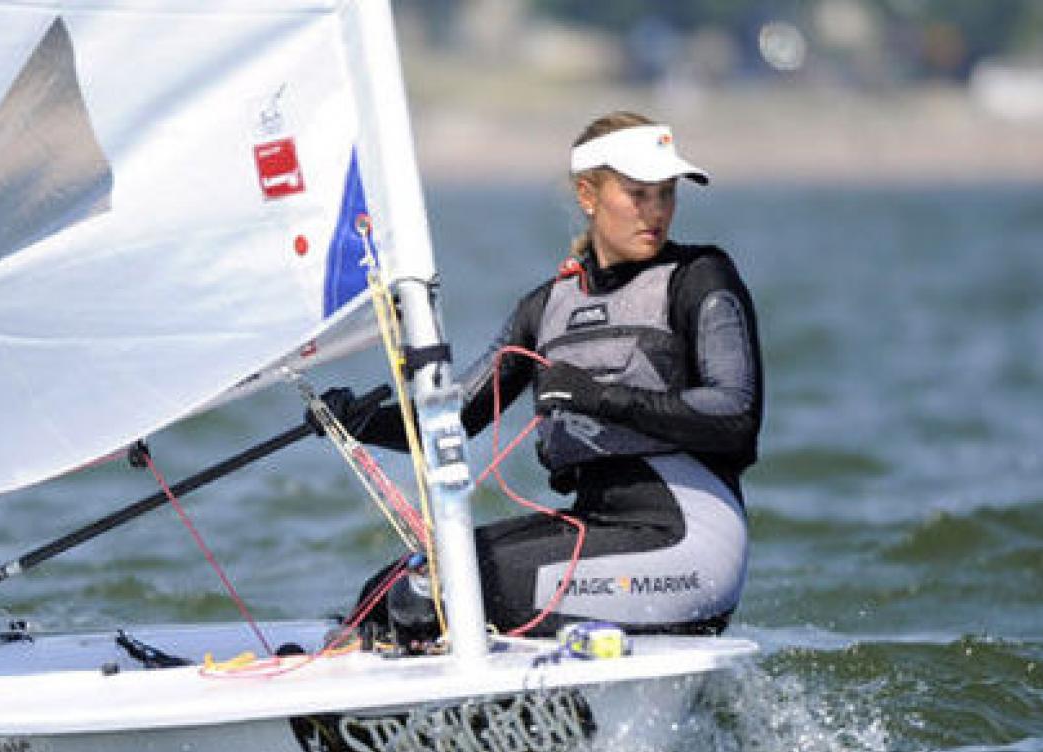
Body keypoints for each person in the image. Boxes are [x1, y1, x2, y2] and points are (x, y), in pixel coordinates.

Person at [319, 110, 763, 640]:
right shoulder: (546, 308)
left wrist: (598, 396)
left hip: (690, 545)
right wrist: (357, 422)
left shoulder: (699, 279)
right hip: (600, 530)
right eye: (638, 193)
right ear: (588, 195)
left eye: (666, 193)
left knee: (445, 592)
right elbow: (455, 419)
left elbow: (736, 414)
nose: (656, 212)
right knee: (393, 585)